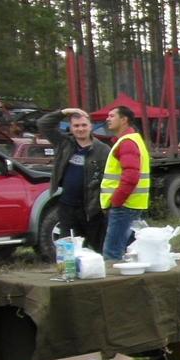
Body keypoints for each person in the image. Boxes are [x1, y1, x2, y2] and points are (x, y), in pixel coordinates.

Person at [40, 107, 112, 252]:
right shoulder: (64, 143)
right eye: (76, 126)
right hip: (67, 207)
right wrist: (65, 111)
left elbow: (109, 180)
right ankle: (71, 273)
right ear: (71, 128)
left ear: (91, 127)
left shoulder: (103, 150)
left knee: (100, 250)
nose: (80, 129)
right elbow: (43, 124)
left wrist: (107, 206)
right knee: (69, 251)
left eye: (84, 125)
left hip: (92, 210)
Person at [99, 105, 150, 261]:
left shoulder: (127, 143)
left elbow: (131, 176)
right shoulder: (131, 140)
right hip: (131, 204)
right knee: (132, 253)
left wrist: (116, 201)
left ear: (124, 120)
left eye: (112, 115)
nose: (107, 119)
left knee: (112, 253)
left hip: (124, 206)